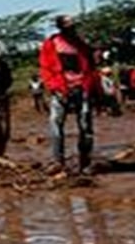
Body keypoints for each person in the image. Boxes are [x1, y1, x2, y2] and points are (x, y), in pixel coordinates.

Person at [39, 14, 101, 175]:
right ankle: (58, 161)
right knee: (55, 125)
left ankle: (85, 162)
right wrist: (55, 88)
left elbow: (92, 67)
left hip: (82, 87)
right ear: (60, 27)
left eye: (73, 26)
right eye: (68, 26)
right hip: (60, 89)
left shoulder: (82, 45)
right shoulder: (50, 44)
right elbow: (45, 69)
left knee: (86, 127)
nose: (72, 29)